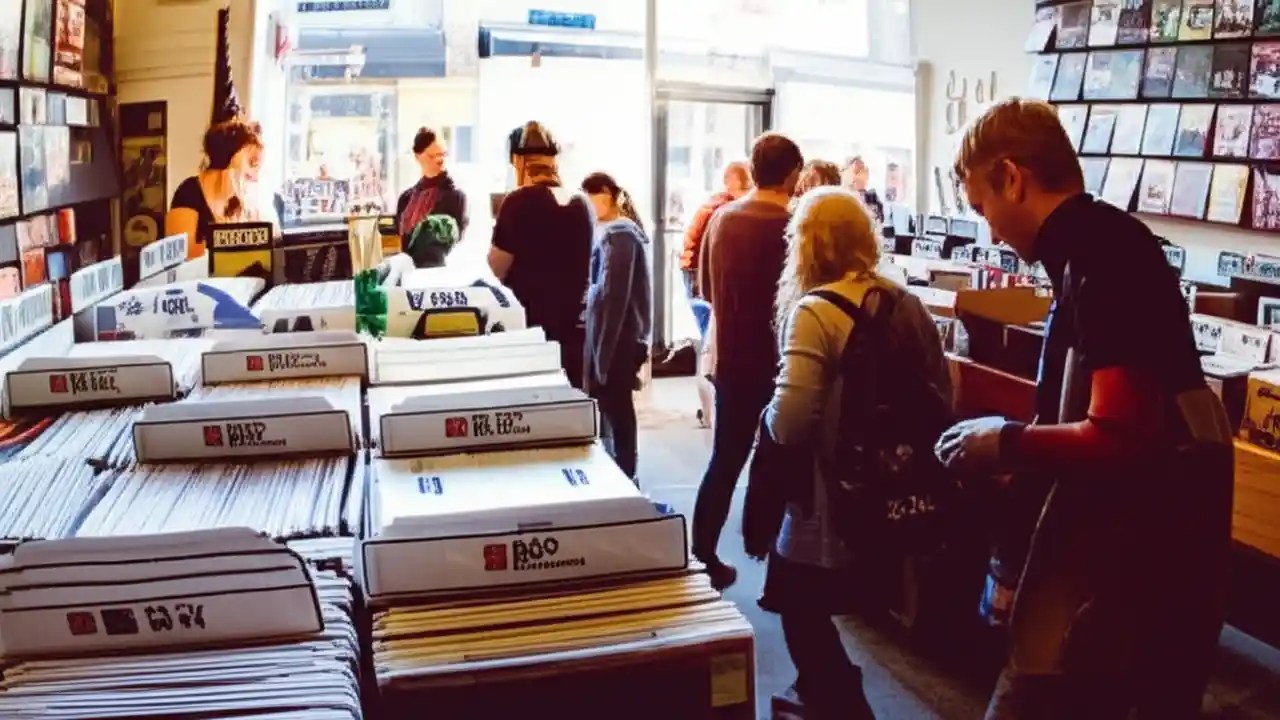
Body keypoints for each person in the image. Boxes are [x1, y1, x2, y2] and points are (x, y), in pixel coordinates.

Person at [937, 99, 1234, 720]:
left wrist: (1004, 442)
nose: (990, 232)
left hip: (1133, 566)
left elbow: (1119, 434)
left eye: (982, 207)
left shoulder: (1104, 255)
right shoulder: (1097, 247)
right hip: (1138, 558)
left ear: (1012, 178)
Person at [759, 186, 949, 720]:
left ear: (805, 244)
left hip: (825, 494)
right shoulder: (905, 302)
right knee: (844, 594)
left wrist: (764, 420)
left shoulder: (814, 311)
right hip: (890, 486)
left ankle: (840, 699)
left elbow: (790, 421)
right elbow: (941, 393)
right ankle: (830, 691)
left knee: (795, 601)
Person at [691, 132, 804, 590]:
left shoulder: (722, 218)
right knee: (785, 466)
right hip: (783, 363)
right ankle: (779, 572)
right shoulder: (795, 227)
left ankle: (702, 555)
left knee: (725, 460)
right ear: (794, 174)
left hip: (732, 360)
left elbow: (705, 290)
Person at [488, 121, 594, 389]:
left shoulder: (517, 203)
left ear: (519, 162)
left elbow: (495, 270)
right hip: (574, 331)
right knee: (572, 402)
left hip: (531, 332)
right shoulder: (581, 203)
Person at [581, 172, 652, 484]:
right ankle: (623, 473)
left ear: (606, 194)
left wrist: (602, 356)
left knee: (617, 409)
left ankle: (624, 475)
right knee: (616, 410)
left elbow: (613, 297)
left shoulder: (619, 235)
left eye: (590, 198)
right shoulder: (616, 232)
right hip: (619, 338)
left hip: (617, 340)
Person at [166, 117, 263, 259]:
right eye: (252, 163)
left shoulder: (239, 203)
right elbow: (178, 258)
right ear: (230, 157)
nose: (255, 178)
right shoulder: (188, 192)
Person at [395, 127, 468, 267]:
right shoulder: (406, 199)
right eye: (432, 156)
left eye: (443, 154)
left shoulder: (456, 196)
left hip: (441, 270)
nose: (439, 160)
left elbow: (459, 242)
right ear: (417, 156)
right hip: (410, 270)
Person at [680, 162, 751, 298]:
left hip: (693, 266)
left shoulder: (717, 204)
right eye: (747, 187)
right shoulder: (725, 209)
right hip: (698, 269)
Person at [842, 156, 884, 224]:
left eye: (862, 172)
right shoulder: (839, 200)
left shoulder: (873, 198)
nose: (858, 177)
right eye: (856, 172)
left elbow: (879, 222)